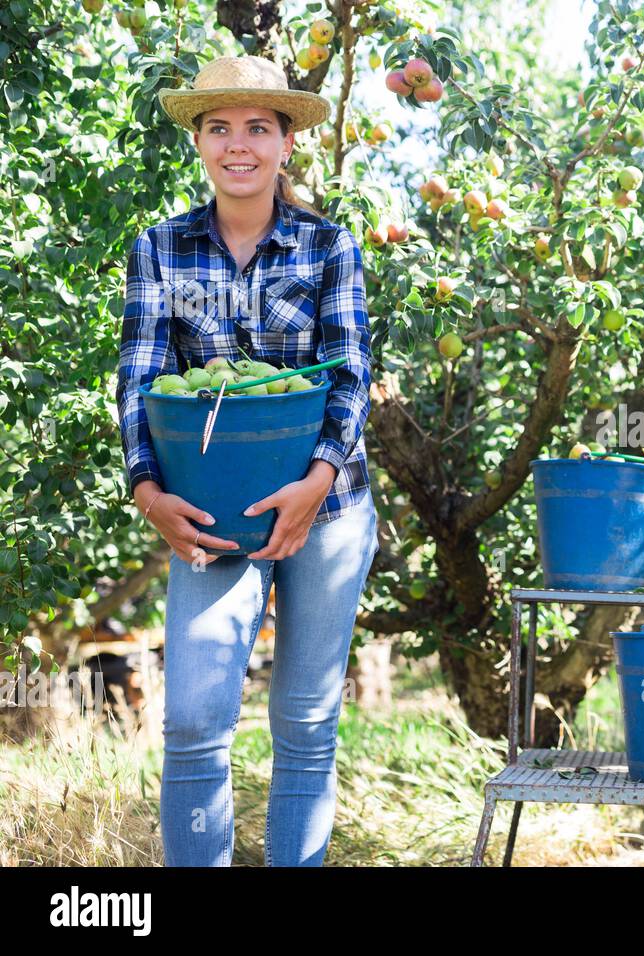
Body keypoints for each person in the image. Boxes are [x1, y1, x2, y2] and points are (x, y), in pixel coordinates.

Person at [115, 56, 378, 865]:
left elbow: (350, 369)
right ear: (197, 141)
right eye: (219, 127)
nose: (239, 146)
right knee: (194, 719)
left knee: (304, 724)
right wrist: (146, 487)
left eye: (258, 128)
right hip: (211, 511)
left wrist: (319, 478)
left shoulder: (329, 245)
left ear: (285, 142)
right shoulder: (159, 248)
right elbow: (139, 373)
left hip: (327, 512)